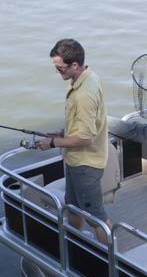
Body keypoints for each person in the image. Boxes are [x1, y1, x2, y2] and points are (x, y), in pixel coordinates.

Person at [35, 39, 109, 243]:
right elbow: (86, 122)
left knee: (97, 217)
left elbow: (85, 138)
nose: (57, 72)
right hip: (76, 161)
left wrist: (52, 143)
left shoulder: (83, 94)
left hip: (86, 164)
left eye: (59, 68)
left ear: (74, 65)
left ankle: (111, 258)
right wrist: (62, 133)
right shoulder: (90, 76)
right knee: (73, 205)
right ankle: (74, 241)